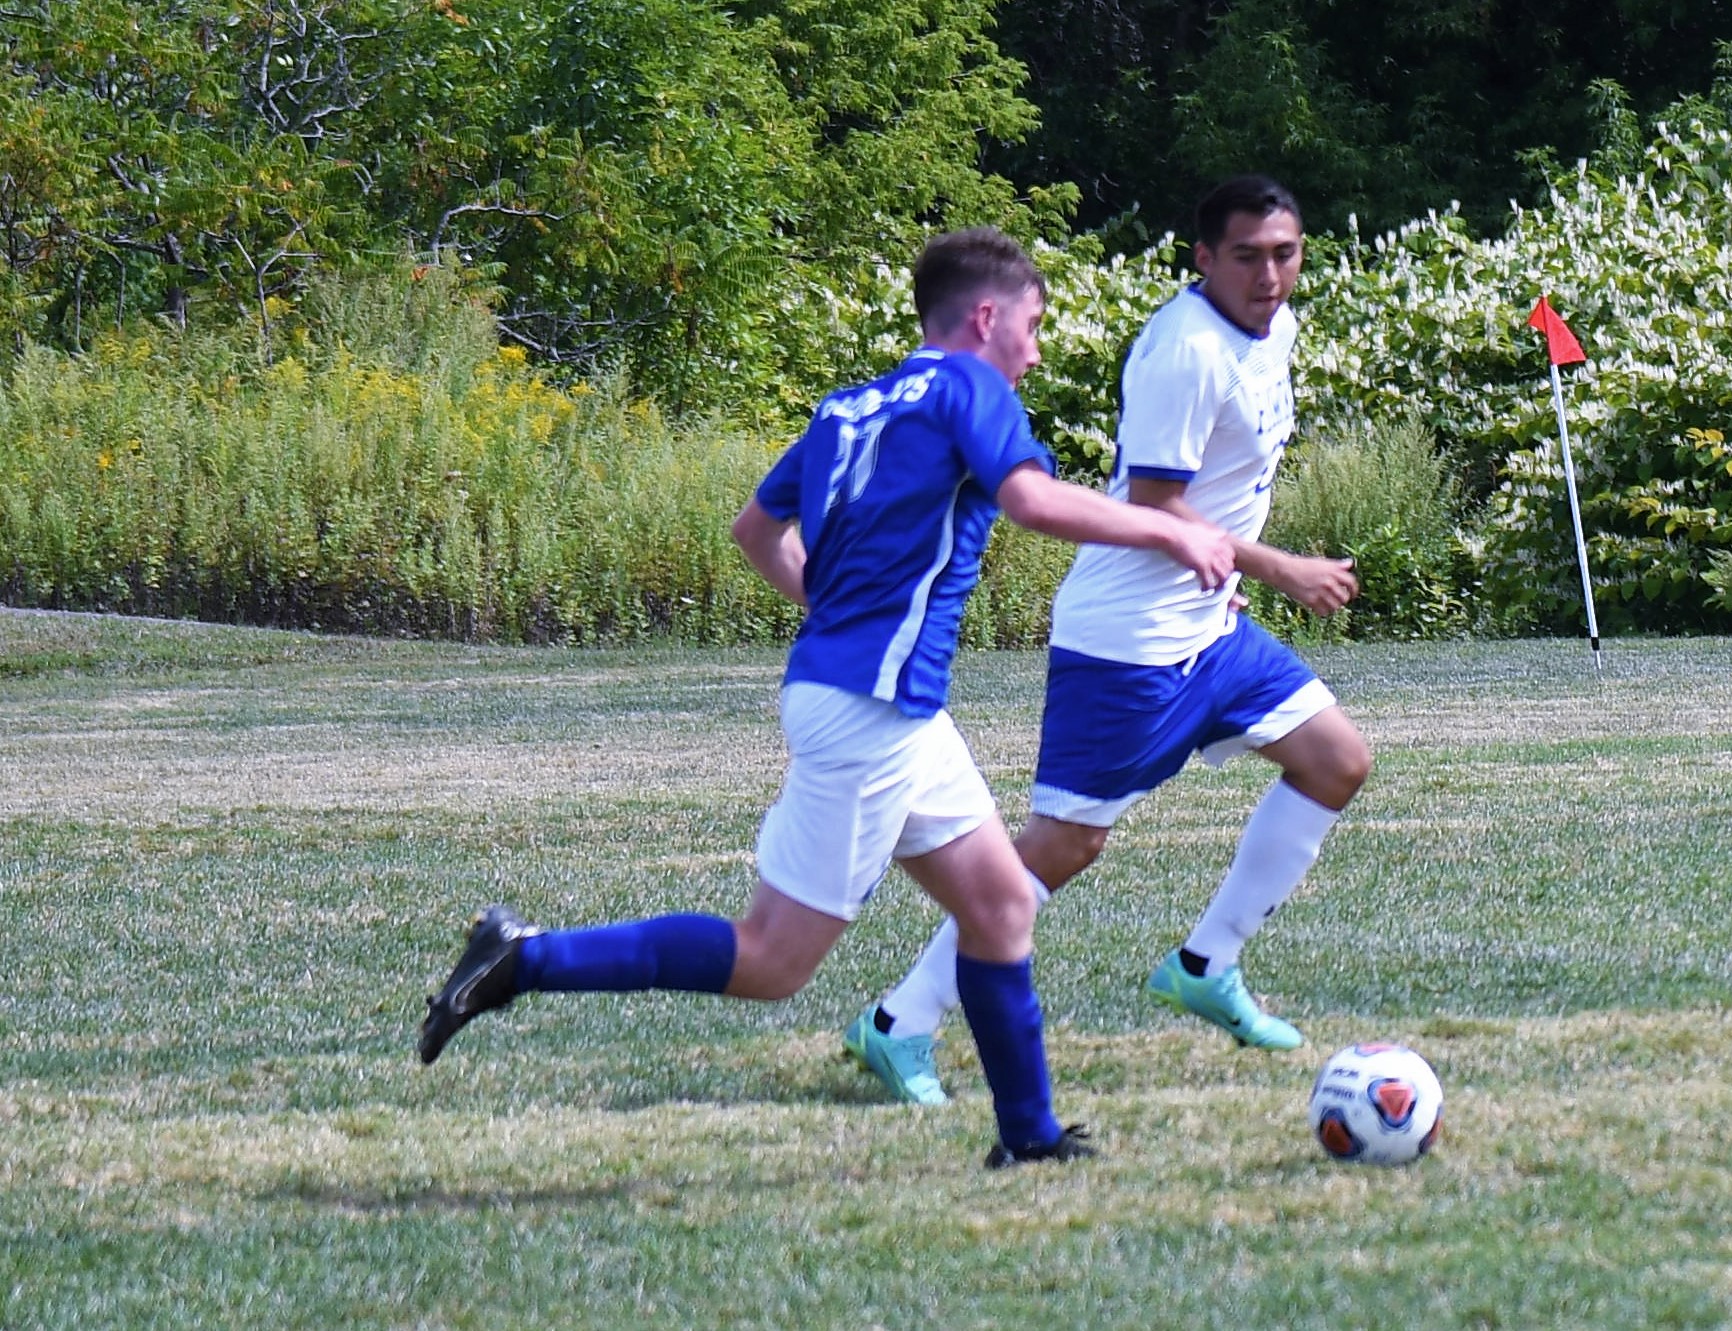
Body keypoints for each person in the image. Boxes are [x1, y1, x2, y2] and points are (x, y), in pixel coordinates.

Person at [415, 227, 1234, 1168]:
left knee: (1003, 902)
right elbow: (1032, 503)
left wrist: (837, 610)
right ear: (985, 316)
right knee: (770, 959)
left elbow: (756, 528)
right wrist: (1173, 538)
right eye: (1034, 325)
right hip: (872, 708)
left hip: (877, 698)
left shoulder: (848, 409)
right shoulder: (970, 386)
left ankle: (1030, 1135)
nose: (1036, 349)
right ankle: (525, 960)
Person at [843, 176, 1372, 1106]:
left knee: (1334, 760)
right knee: (1060, 848)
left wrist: (1235, 583)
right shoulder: (1185, 352)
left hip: (1207, 624)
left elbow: (1221, 489)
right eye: (1245, 255)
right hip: (1126, 641)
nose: (1268, 273)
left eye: (1283, 253)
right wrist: (1281, 567)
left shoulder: (1272, 329)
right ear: (1203, 259)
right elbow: (1155, 505)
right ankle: (898, 1022)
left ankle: (1206, 965)